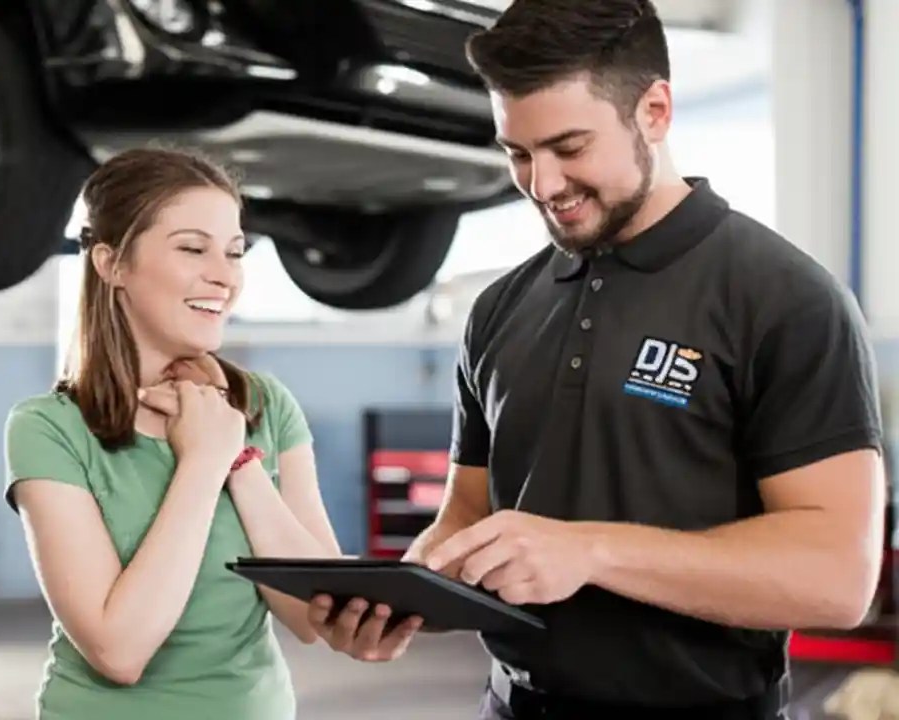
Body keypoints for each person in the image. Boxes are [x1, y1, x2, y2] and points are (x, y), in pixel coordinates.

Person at [306, 1, 887, 718]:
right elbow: (464, 513)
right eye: (518, 153)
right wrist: (408, 594)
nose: (542, 185)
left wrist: (592, 553)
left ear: (654, 110)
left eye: (569, 147)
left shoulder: (786, 299)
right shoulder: (499, 310)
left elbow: (836, 578)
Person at [3, 146, 342, 720]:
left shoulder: (268, 407)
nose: (224, 276)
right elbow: (120, 650)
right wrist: (201, 463)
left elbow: (311, 613)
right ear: (112, 264)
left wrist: (239, 460)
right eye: (192, 248)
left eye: (234, 253)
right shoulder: (48, 429)